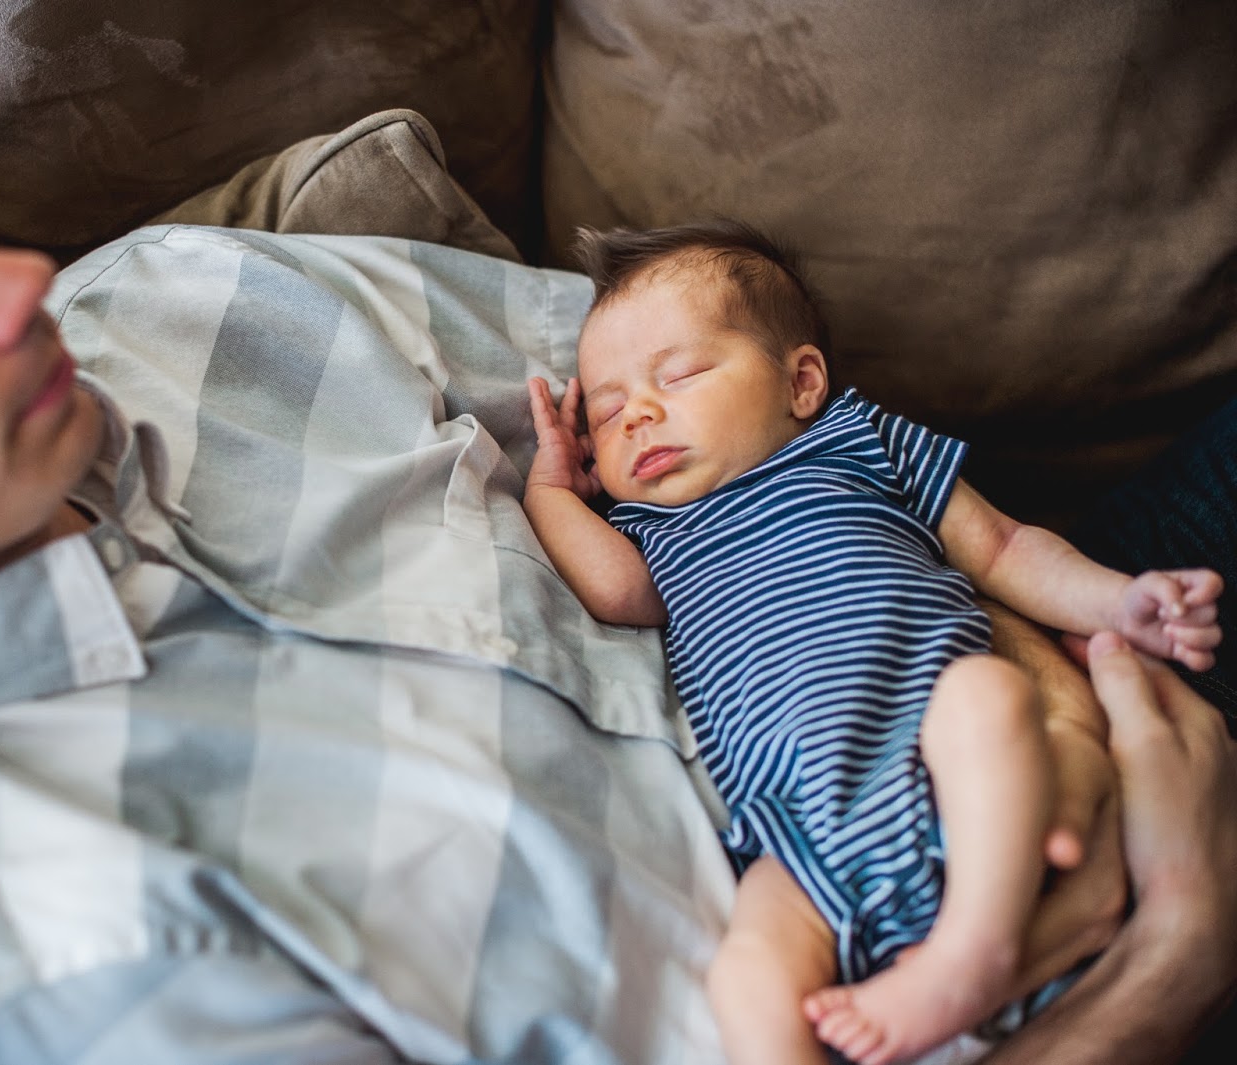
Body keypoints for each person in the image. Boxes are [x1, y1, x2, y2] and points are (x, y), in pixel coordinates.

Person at [0, 11, 1235, 1065]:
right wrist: (1155, 979)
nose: (11, 281)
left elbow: (761, 447)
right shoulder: (97, 967)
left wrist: (1040, 680)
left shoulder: (186, 295)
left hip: (1013, 642)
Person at [521, 222, 1221, 1065]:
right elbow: (614, 589)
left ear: (802, 382)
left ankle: (974, 950)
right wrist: (550, 484)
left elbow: (1001, 547)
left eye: (682, 374)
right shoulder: (652, 528)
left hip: (938, 753)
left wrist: (1122, 602)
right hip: (798, 838)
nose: (637, 412)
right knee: (746, 976)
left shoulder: (858, 443)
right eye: (606, 410)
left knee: (989, 696)